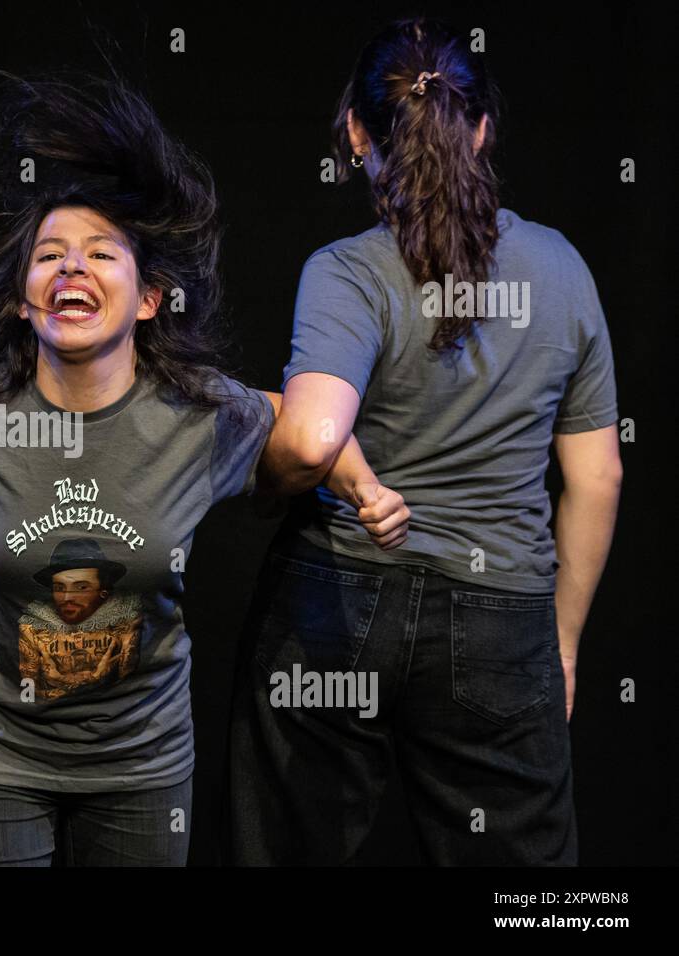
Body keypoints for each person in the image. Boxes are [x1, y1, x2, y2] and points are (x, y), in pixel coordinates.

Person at [0, 71, 410, 866]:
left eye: (99, 255)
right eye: (48, 256)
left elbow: (308, 420)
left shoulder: (198, 413)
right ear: (22, 300)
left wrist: (362, 485)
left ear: (151, 298)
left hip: (140, 757)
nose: (71, 270)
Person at [228, 17, 622, 866]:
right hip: (501, 621)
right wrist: (560, 641)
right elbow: (597, 477)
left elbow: (306, 442)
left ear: (357, 134)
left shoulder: (346, 271)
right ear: (481, 129)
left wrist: (274, 476)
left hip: (340, 601)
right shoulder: (563, 269)